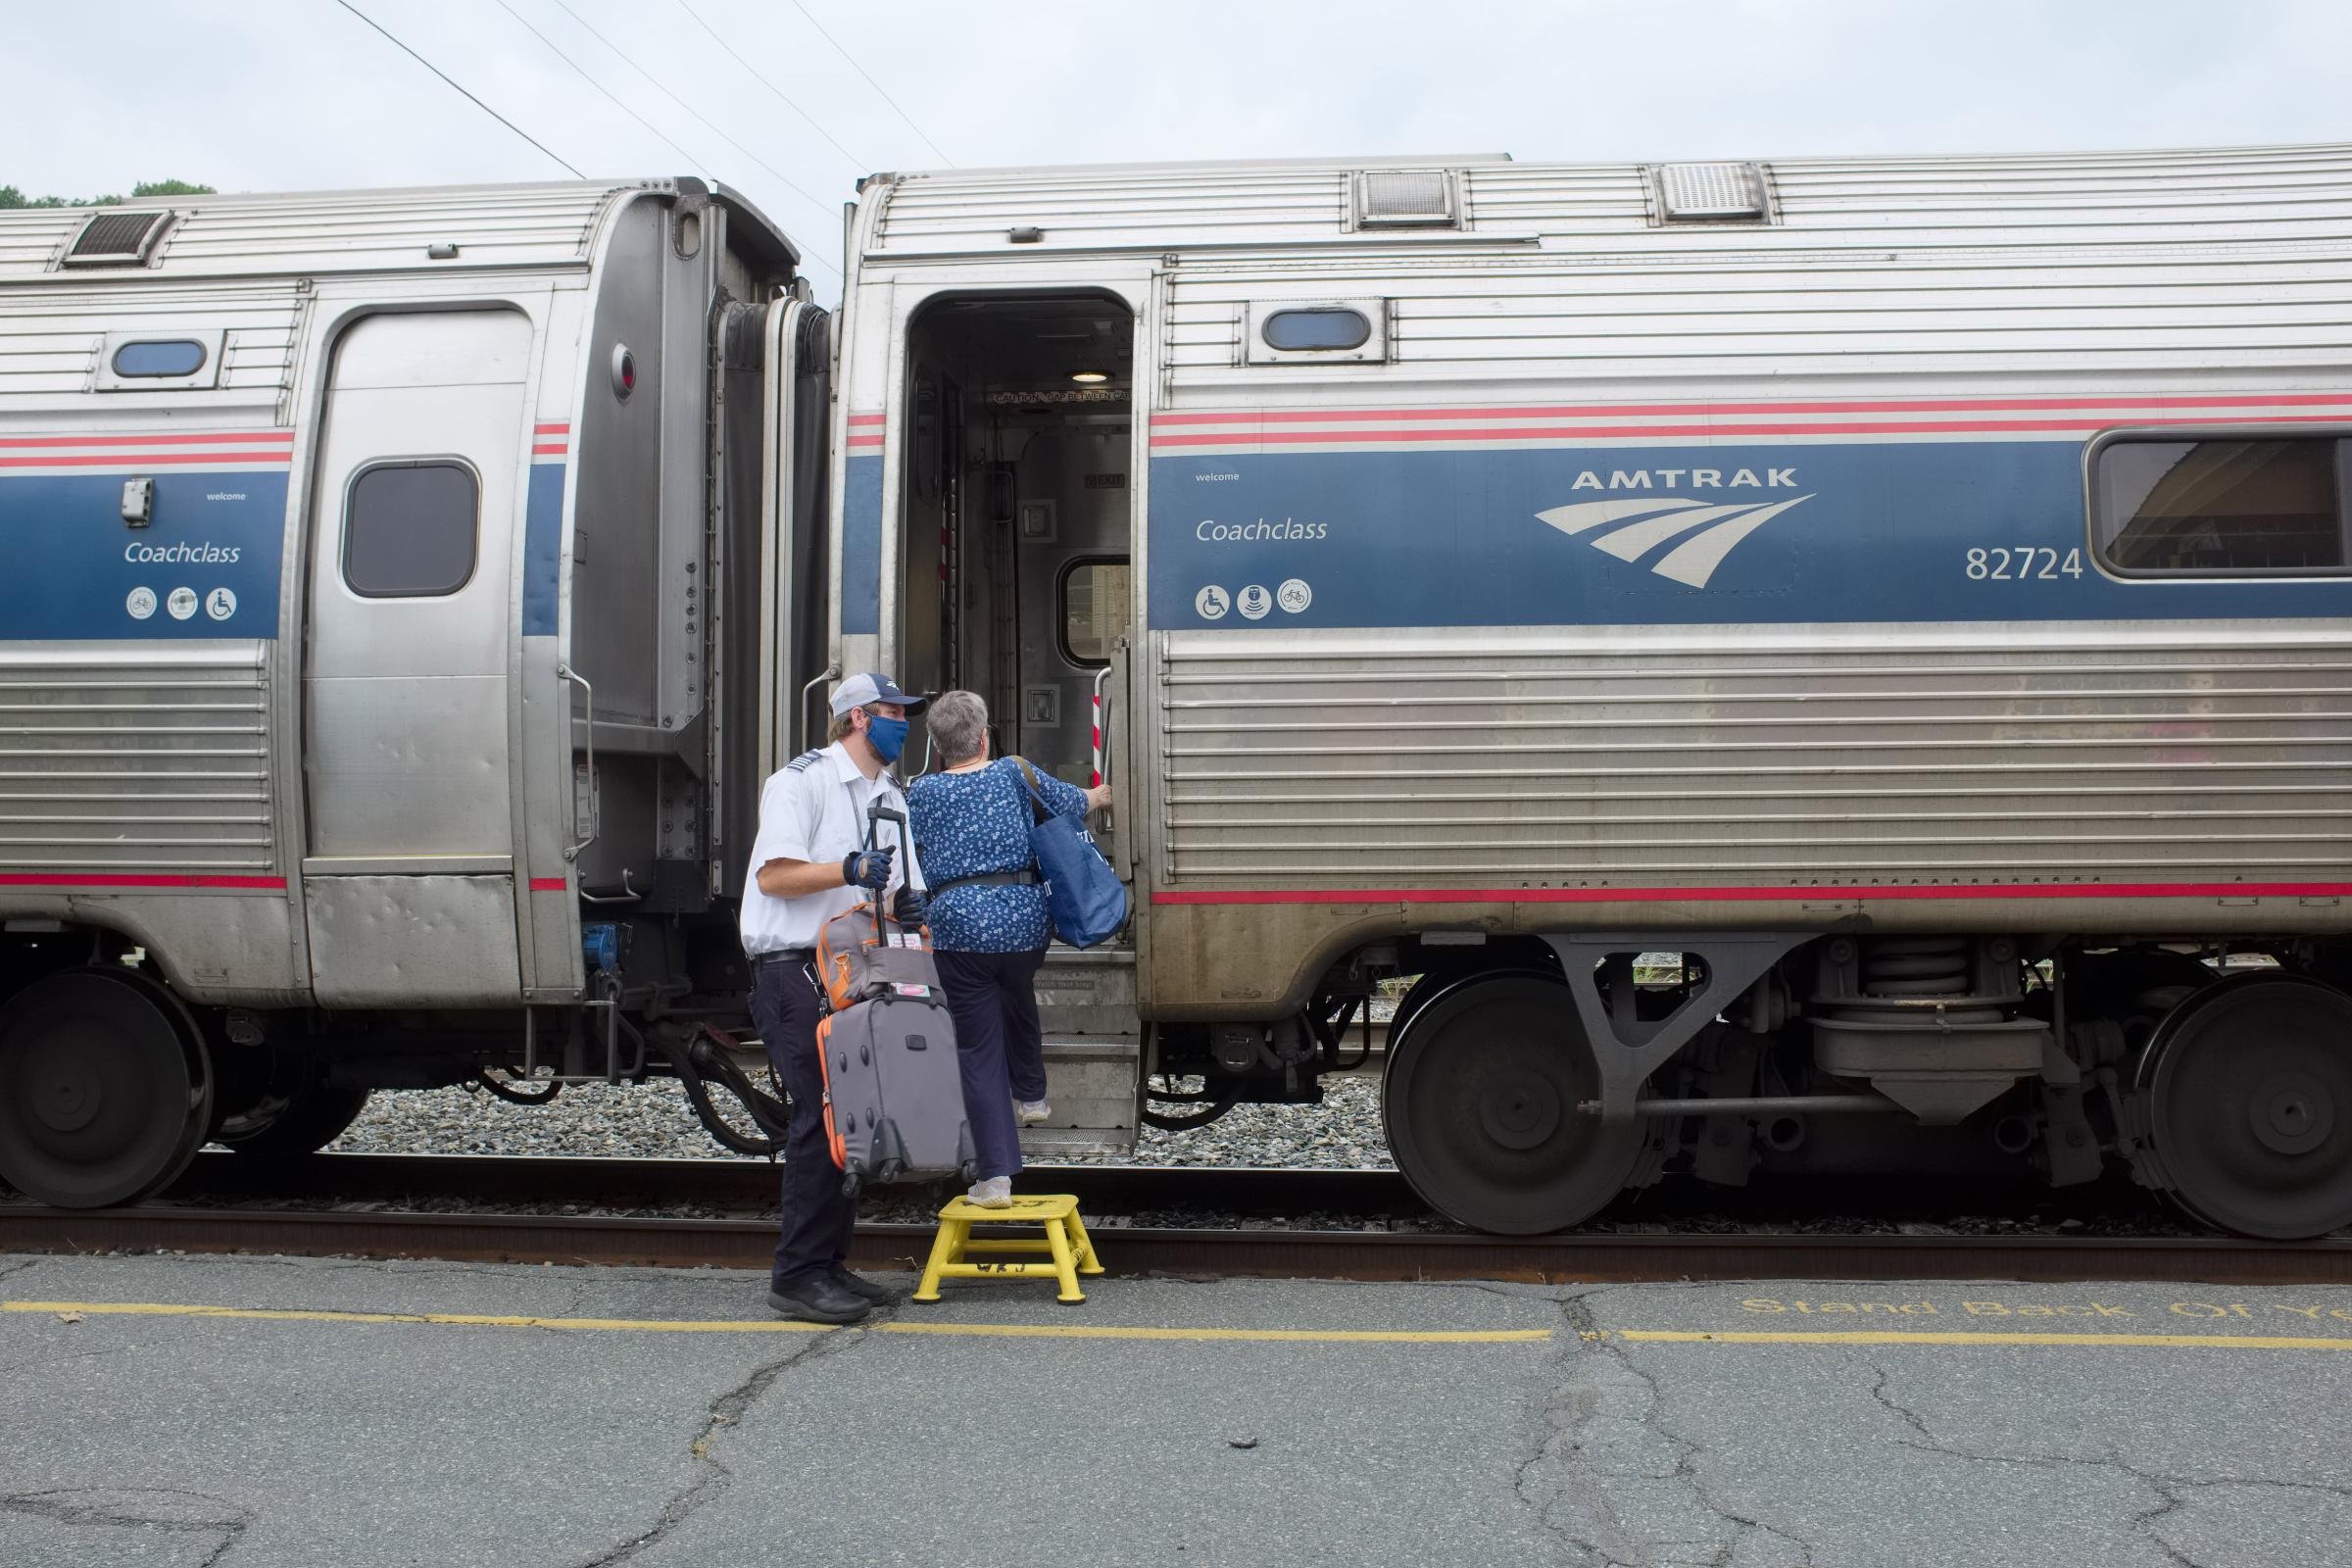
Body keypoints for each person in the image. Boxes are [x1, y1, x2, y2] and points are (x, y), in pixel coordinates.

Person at [739, 671, 929, 1323]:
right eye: (891, 712)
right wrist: (848, 868)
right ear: (856, 718)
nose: (903, 722)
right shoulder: (801, 782)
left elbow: (899, 890)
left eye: (906, 712)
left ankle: (825, 1264)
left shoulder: (889, 795)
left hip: (853, 970)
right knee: (822, 1117)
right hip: (795, 970)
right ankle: (797, 1275)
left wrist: (904, 903)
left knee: (849, 1121)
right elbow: (774, 876)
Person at [906, 690, 1110, 1207]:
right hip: (1023, 925)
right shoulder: (1012, 773)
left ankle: (995, 1179)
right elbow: (1073, 803)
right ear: (984, 736)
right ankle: (1034, 1093)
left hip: (958, 930)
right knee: (1017, 988)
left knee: (978, 1050)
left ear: (936, 744)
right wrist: (1104, 794)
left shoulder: (921, 793)